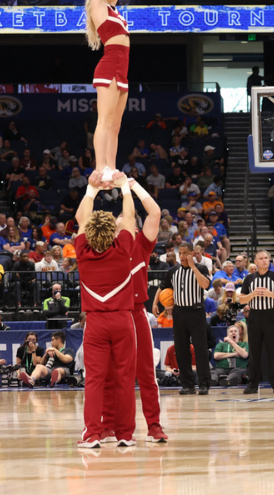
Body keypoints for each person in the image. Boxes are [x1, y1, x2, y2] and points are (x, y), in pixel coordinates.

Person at [70, 170, 138, 448]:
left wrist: (90, 189)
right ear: (114, 232)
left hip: (95, 323)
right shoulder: (123, 248)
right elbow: (130, 219)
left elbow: (79, 219)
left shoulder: (82, 250)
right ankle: (124, 435)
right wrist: (124, 188)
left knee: (94, 381)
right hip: (123, 321)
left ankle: (93, 434)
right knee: (124, 379)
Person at [85, 0, 133, 188]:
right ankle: (99, 167)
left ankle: (111, 169)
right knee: (104, 121)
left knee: (115, 126)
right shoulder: (98, 6)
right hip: (109, 65)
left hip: (122, 68)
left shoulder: (113, 10)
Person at [119, 177, 167, 443]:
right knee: (113, 376)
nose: (130, 226)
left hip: (136, 313)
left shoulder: (140, 245)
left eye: (132, 223)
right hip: (113, 314)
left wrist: (132, 185)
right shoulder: (109, 248)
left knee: (146, 373)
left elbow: (155, 212)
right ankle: (109, 426)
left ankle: (154, 425)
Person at [157, 242, 212, 395]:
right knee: (181, 350)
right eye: (179, 253)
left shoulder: (201, 268)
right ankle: (187, 384)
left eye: (184, 253)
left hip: (196, 311)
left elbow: (205, 284)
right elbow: (162, 288)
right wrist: (155, 303)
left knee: (200, 349)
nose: (181, 256)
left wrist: (193, 267)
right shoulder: (174, 270)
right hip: (179, 312)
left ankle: (203, 384)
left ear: (192, 254)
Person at [238, 249, 274, 394]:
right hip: (255, 316)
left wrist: (270, 294)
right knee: (254, 351)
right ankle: (253, 384)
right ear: (256, 261)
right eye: (261, 258)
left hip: (271, 315)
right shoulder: (249, 279)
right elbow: (241, 299)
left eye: (267, 258)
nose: (265, 260)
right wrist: (252, 294)